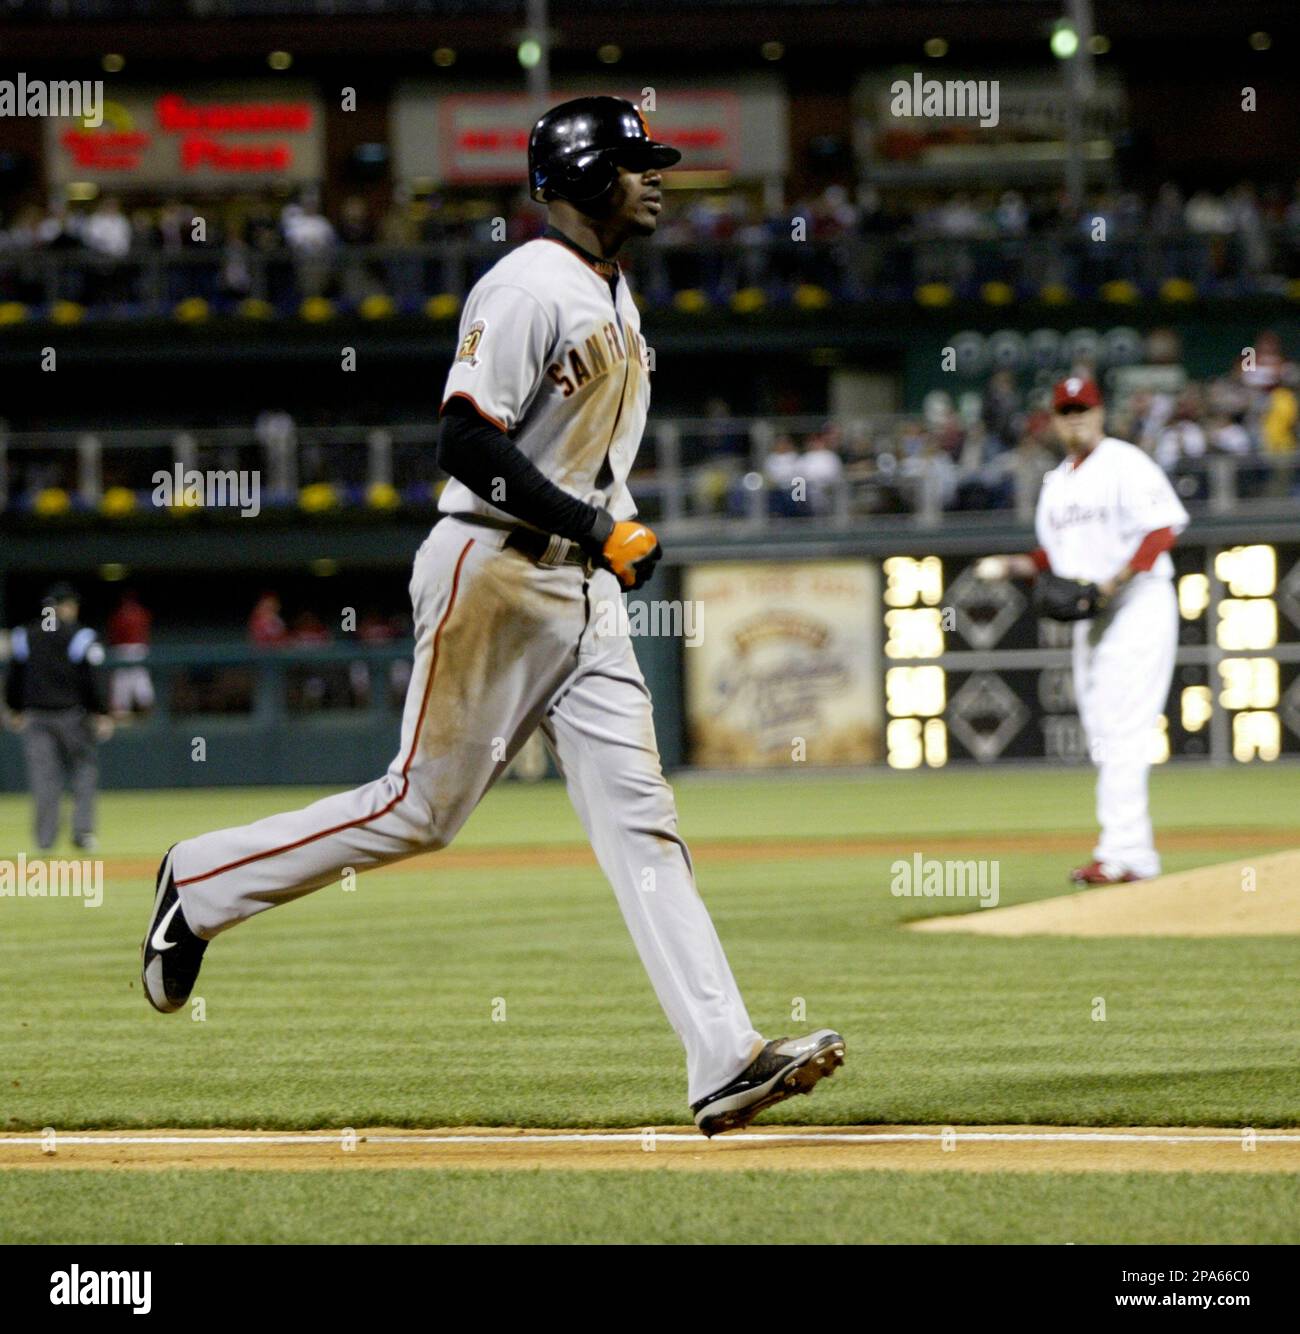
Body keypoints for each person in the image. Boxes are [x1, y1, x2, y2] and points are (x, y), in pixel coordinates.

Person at [142, 96, 844, 1137]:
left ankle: (723, 1057)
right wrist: (594, 525)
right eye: (635, 163)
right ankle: (198, 881)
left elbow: (582, 453)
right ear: (583, 178)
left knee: (642, 822)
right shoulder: (521, 287)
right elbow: (465, 441)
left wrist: (605, 532)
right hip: (494, 572)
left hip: (580, 592)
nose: (656, 177)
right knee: (419, 810)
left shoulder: (615, 294)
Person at [976, 376, 1188, 884]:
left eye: (1083, 409)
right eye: (1066, 411)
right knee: (1102, 731)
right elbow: (1055, 557)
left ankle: (1124, 854)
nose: (1075, 419)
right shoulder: (1057, 483)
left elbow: (1163, 529)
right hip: (1094, 617)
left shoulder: (1125, 462)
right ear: (1054, 419)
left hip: (1138, 603)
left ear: (1100, 414)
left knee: (1122, 728)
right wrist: (1013, 566)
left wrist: (1113, 584)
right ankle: (1128, 852)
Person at [4, 582, 114, 851]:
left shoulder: (24, 635)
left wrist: (14, 708)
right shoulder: (80, 635)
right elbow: (91, 677)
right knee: (83, 772)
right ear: (65, 607)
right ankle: (83, 833)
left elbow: (14, 677)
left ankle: (44, 841)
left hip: (36, 717)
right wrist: (101, 712)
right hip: (72, 716)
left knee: (44, 779)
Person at [106, 589, 154, 715]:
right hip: (138, 650)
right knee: (139, 689)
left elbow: (113, 637)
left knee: (125, 690)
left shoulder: (119, 614)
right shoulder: (141, 613)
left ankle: (127, 715)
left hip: (124, 651)